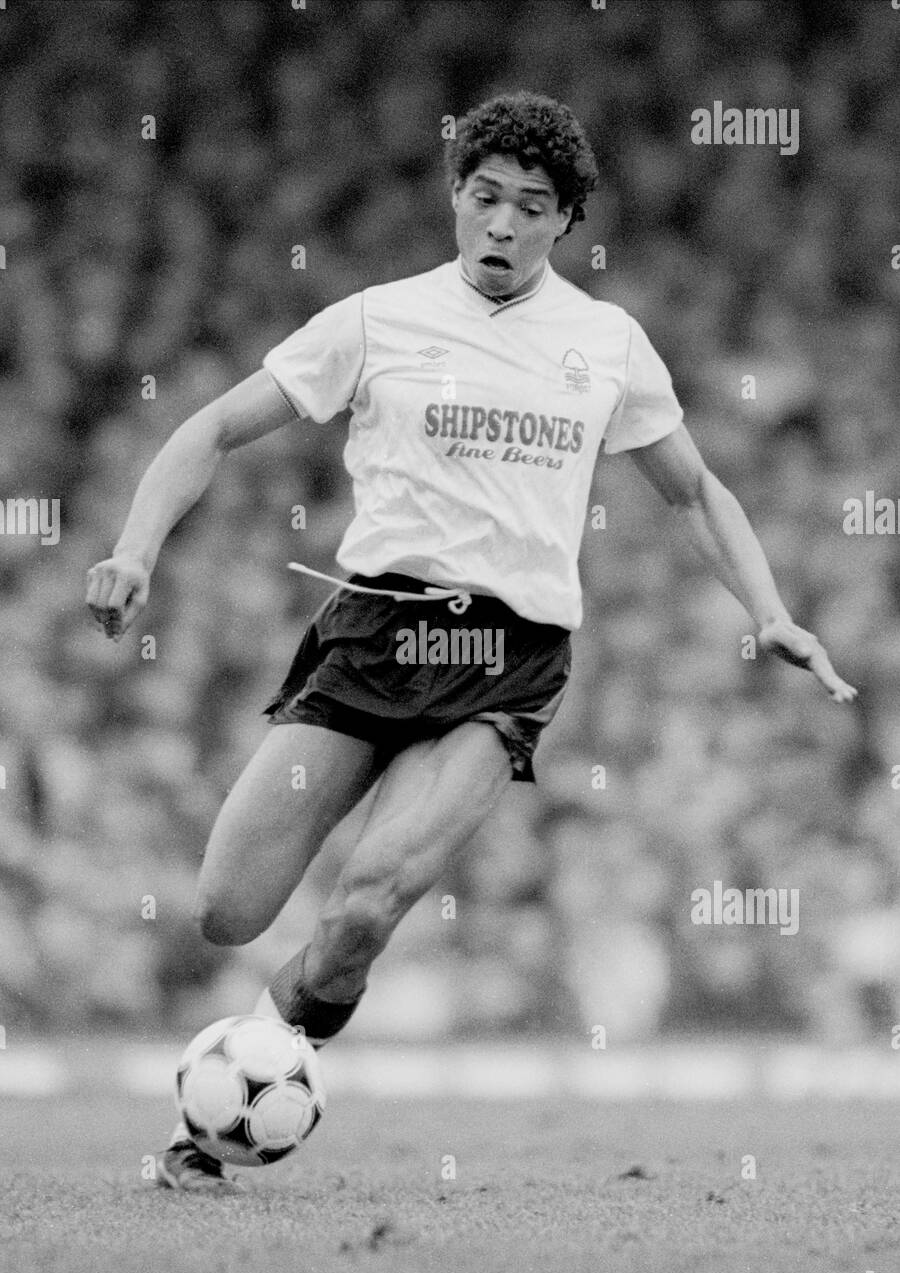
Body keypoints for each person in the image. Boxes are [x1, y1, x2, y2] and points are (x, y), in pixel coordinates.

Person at [85, 91, 856, 1192]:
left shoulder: (606, 344)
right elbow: (211, 426)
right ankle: (251, 1060)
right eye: (484, 198)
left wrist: (768, 610)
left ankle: (231, 1102)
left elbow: (694, 492)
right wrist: (136, 550)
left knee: (365, 908)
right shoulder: (375, 320)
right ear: (455, 198)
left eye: (530, 207)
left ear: (566, 223)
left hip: (509, 661)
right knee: (225, 909)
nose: (501, 225)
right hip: (373, 636)